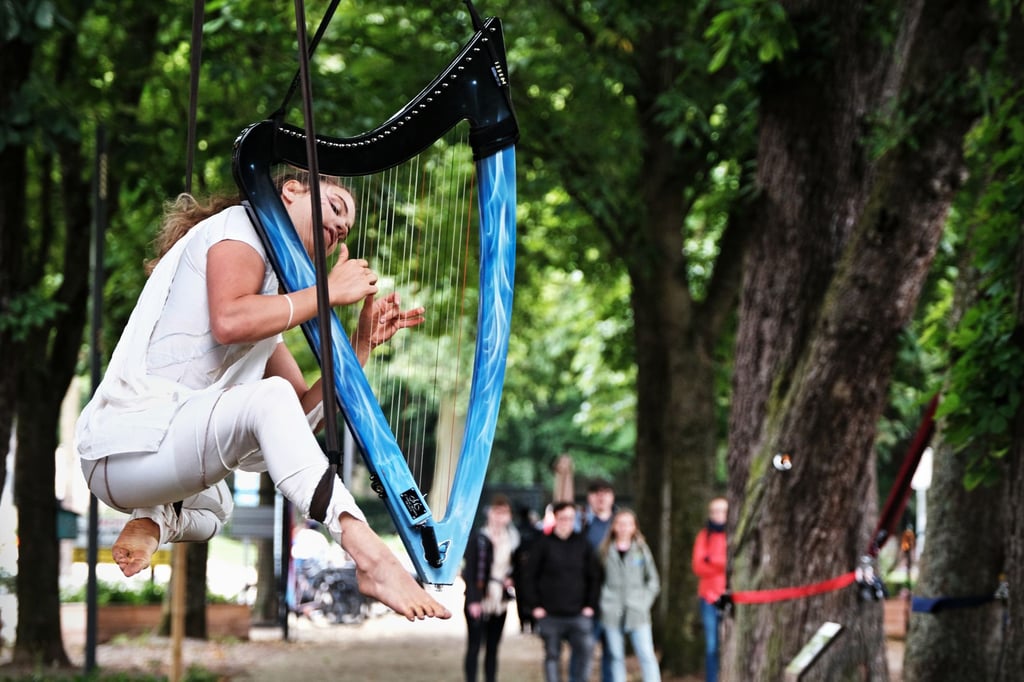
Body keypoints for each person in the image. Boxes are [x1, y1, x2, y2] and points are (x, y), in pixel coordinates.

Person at [75, 170, 449, 621]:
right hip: (120, 448)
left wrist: (360, 347)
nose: (338, 230)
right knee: (267, 398)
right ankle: (369, 554)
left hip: (153, 473)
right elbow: (230, 320)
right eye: (334, 208)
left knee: (218, 510)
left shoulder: (269, 303)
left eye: (345, 230)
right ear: (290, 191)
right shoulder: (239, 224)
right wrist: (328, 291)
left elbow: (299, 422)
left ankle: (154, 520)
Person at [520, 501, 600, 682]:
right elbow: (528, 577)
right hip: (550, 614)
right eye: (563, 518)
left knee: (585, 653)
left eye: (571, 518)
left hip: (579, 613)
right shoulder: (542, 544)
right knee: (552, 656)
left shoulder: (583, 544)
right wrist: (535, 606)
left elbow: (594, 577)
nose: (567, 522)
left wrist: (590, 605)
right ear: (555, 518)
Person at [462, 494, 521, 682]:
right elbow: (469, 571)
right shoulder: (479, 538)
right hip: (480, 596)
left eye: (504, 512)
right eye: (497, 512)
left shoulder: (513, 540)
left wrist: (511, 579)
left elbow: (517, 567)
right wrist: (473, 600)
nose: (500, 517)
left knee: (493, 647)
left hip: (500, 600)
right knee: (474, 646)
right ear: (490, 514)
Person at [598, 509, 661, 682]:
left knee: (646, 654)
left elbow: (653, 580)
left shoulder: (641, 550)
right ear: (614, 526)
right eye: (620, 523)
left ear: (634, 527)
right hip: (612, 610)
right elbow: (597, 580)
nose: (624, 528)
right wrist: (604, 602)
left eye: (628, 524)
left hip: (637, 611)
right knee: (616, 657)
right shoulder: (604, 551)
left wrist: (644, 602)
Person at [577, 478, 616, 682]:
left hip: (613, 598)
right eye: (596, 492)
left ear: (612, 496)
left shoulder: (621, 523)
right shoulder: (578, 521)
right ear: (589, 497)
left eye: (605, 492)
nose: (601, 497)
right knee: (583, 649)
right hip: (585, 598)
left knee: (612, 651)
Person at [691, 497, 728, 682]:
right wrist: (721, 564)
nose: (718, 515)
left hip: (730, 597)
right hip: (708, 596)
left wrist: (712, 560)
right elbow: (698, 566)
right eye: (714, 511)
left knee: (729, 643)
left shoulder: (734, 534)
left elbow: (732, 565)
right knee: (711, 645)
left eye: (722, 511)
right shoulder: (703, 536)